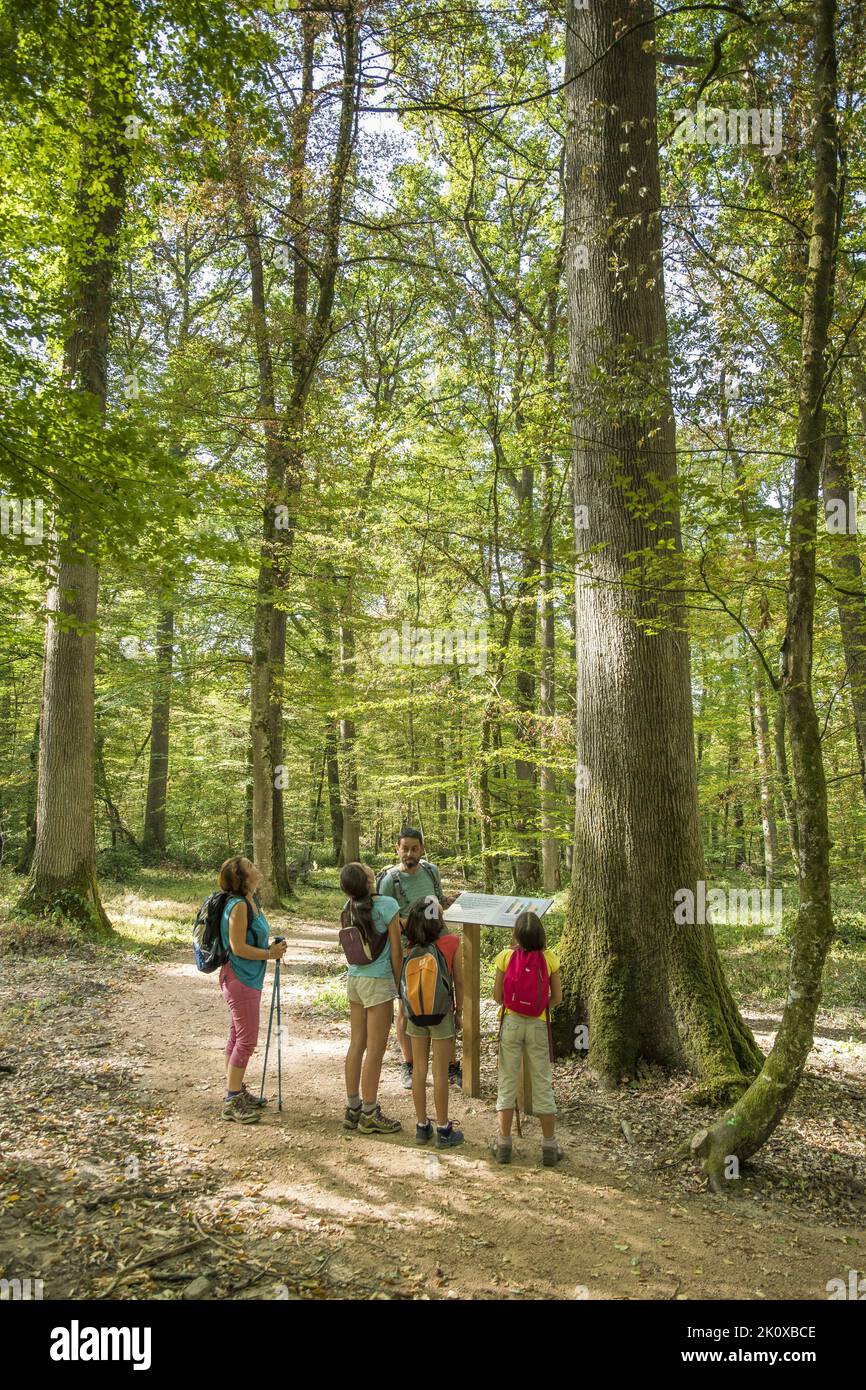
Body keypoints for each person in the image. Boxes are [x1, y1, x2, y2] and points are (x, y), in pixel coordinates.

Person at [377, 827, 461, 1089]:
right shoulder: (390, 880)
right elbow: (384, 918)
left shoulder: (430, 871)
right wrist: (414, 923)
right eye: (405, 848)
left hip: (439, 946)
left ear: (422, 848)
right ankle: (410, 1064)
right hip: (409, 950)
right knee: (407, 1008)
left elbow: (437, 903)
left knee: (445, 999)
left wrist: (448, 901)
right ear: (397, 848)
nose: (410, 853)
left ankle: (450, 1064)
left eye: (415, 848)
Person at [491, 910, 564, 1166]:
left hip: (510, 1022)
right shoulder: (550, 958)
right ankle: (549, 1145)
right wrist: (539, 1007)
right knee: (542, 1082)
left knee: (506, 1081)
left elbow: (497, 997)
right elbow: (557, 998)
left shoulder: (505, 957)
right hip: (538, 1024)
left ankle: (503, 1143)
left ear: (516, 934)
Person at [218, 856, 287, 1125]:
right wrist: (269, 954)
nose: (256, 869)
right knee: (246, 1040)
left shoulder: (250, 902)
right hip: (240, 978)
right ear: (242, 878)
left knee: (237, 1037)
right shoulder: (238, 907)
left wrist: (272, 948)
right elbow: (238, 948)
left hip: (247, 978)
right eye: (251, 867)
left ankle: (235, 1090)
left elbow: (251, 940)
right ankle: (231, 1100)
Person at [340, 861, 403, 1136]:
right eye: (368, 871)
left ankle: (353, 1107)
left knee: (357, 1044)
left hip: (354, 979)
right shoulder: (387, 905)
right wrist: (401, 986)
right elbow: (396, 952)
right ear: (367, 881)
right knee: (376, 1050)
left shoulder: (347, 908)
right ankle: (369, 1112)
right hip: (378, 982)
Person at [401, 897, 465, 1148]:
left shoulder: (411, 948)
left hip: (415, 1015)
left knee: (418, 1070)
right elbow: (458, 982)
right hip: (441, 1014)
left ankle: (421, 1126)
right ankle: (443, 1128)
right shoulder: (451, 943)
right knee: (440, 1072)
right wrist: (458, 1011)